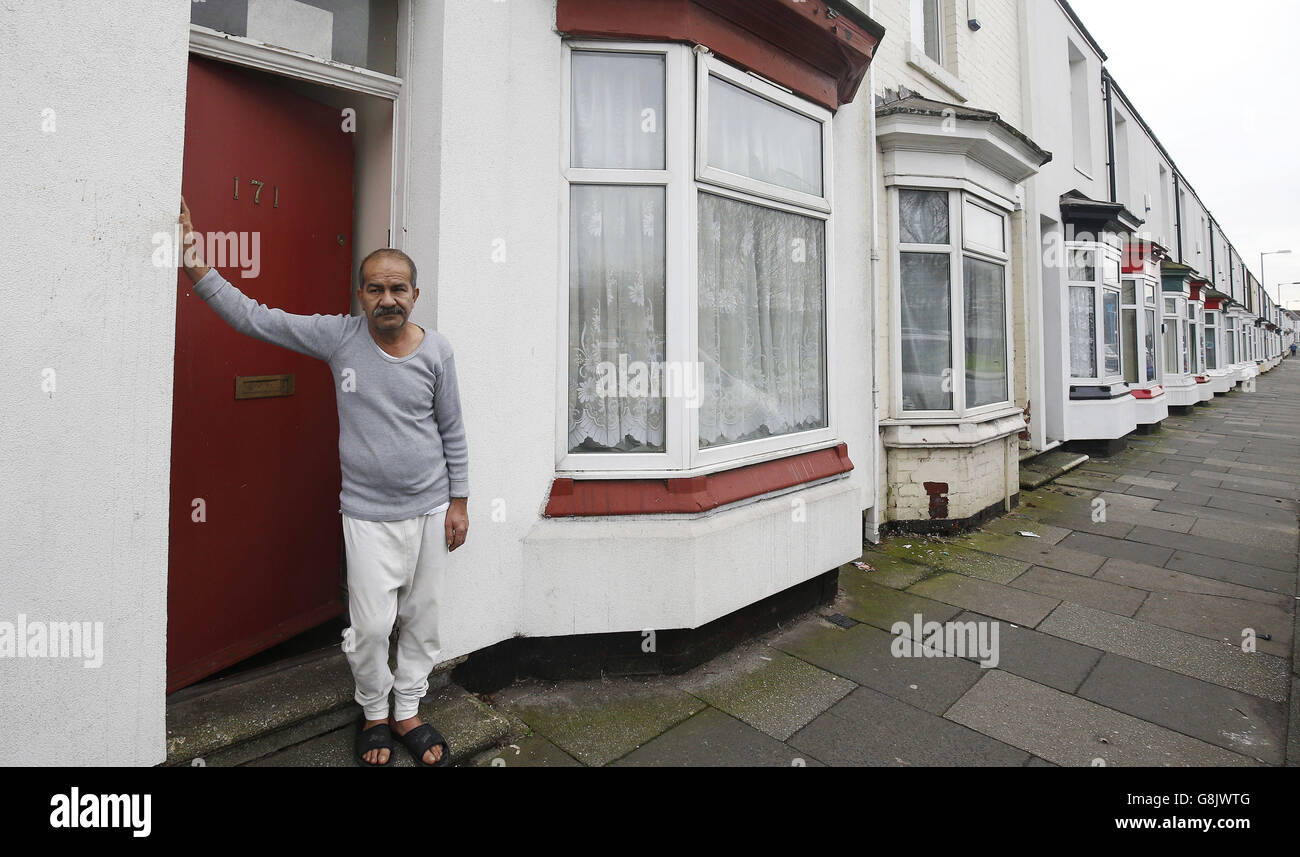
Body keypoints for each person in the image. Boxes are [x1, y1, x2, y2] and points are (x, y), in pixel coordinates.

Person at [178, 198, 469, 766]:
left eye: (399, 289)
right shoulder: (339, 339)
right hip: (366, 515)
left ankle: (408, 709)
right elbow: (254, 316)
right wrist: (195, 259)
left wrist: (459, 502)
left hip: (432, 511)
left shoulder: (438, 351)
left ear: (415, 294)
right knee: (369, 628)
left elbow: (453, 429)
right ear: (360, 295)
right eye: (375, 289)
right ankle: (374, 713)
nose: (387, 299)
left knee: (423, 622)